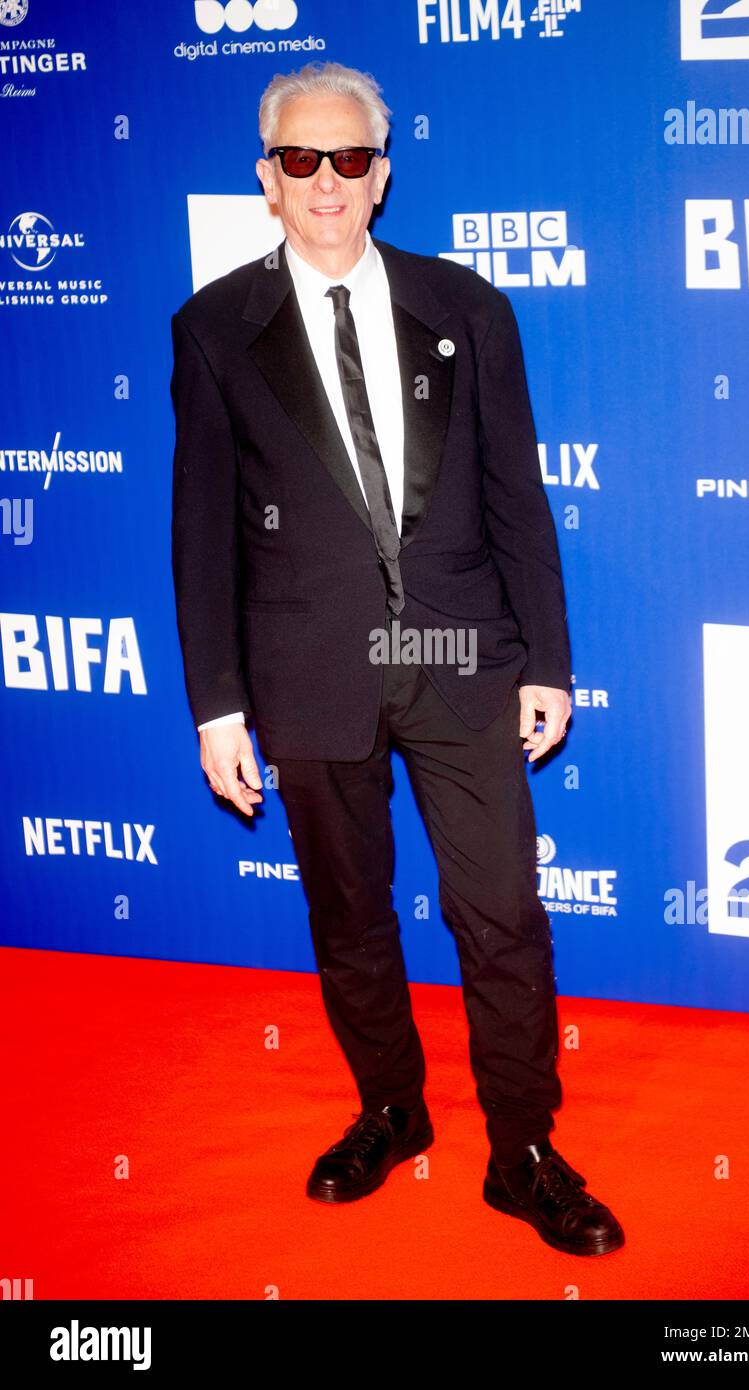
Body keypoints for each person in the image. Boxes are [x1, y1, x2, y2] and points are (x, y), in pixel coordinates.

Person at [170, 59, 624, 1256]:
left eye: (350, 158)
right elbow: (200, 528)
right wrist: (218, 704)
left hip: (464, 654)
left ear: (384, 174)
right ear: (268, 180)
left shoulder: (468, 307)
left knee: (504, 913)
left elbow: (519, 498)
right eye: (300, 160)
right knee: (349, 915)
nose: (326, 181)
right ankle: (392, 1106)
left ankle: (522, 1148)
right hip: (306, 669)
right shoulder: (214, 327)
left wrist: (547, 659)